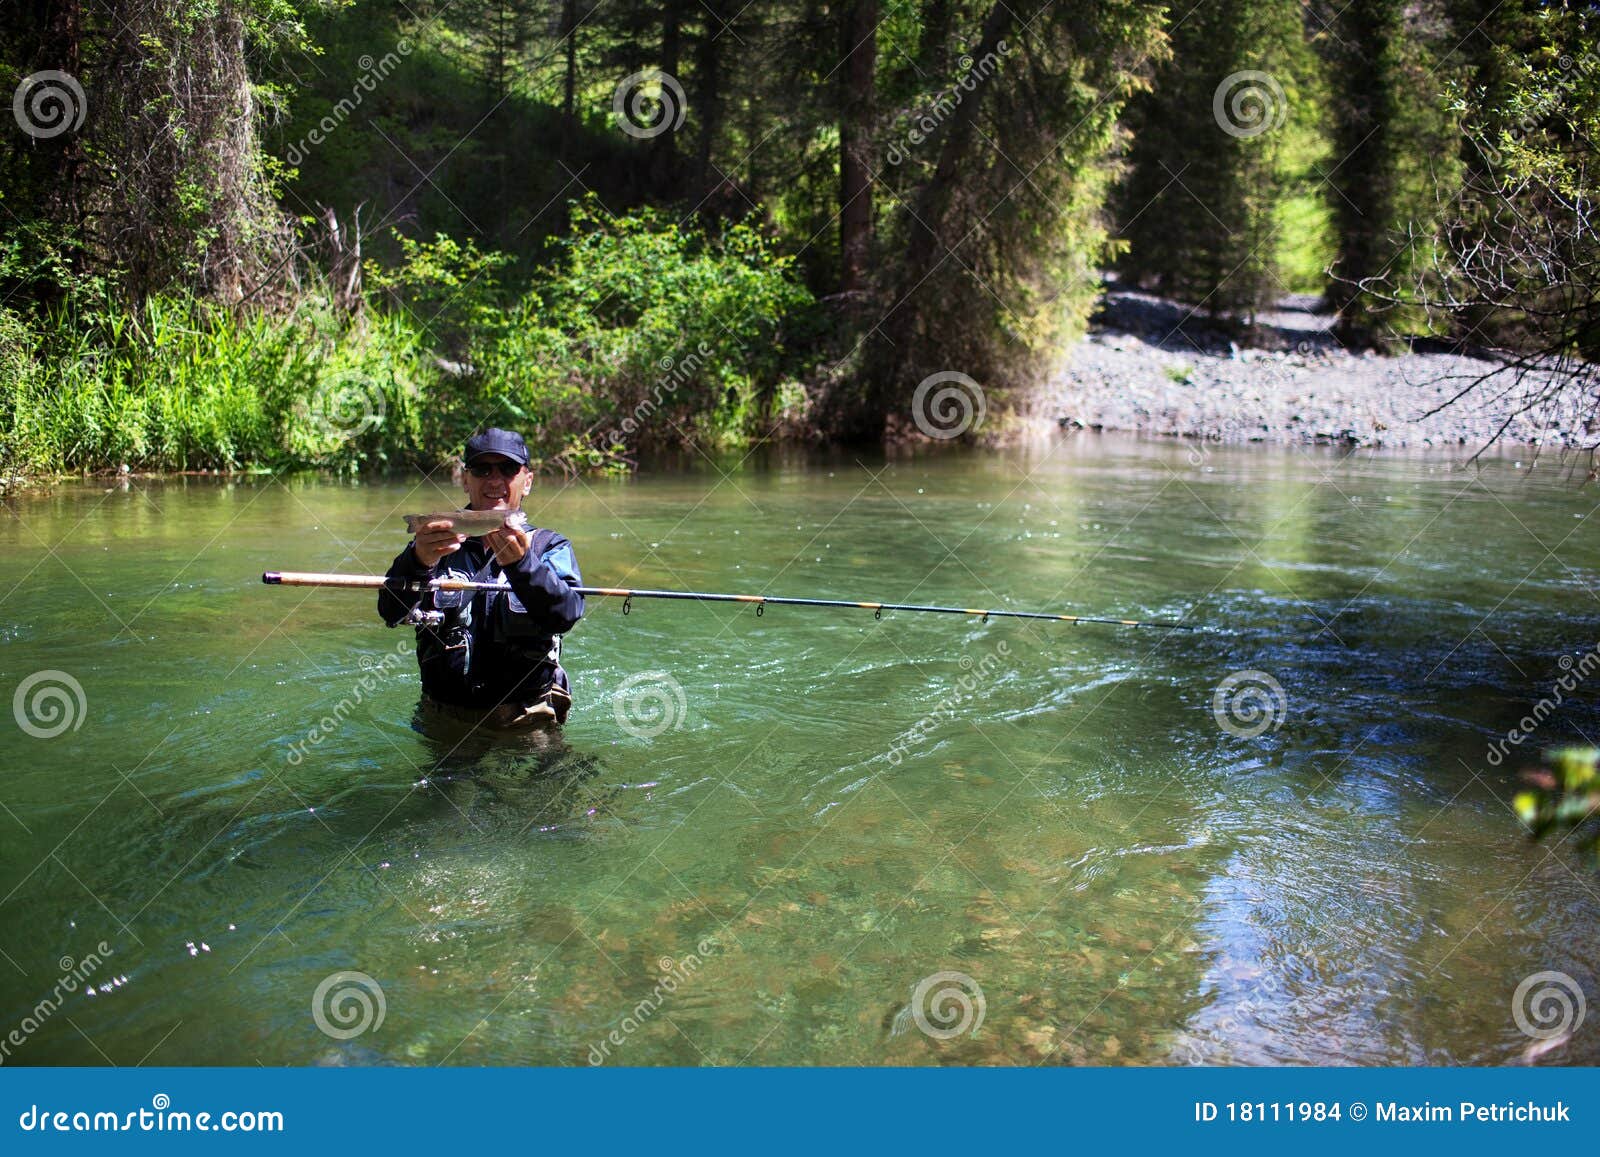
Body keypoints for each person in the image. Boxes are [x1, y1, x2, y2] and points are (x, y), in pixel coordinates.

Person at [378, 428, 584, 730]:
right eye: (481, 469)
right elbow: (390, 612)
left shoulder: (550, 548)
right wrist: (418, 562)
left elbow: (565, 615)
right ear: (465, 479)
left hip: (528, 717)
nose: (495, 480)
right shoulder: (435, 544)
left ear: (527, 481)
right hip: (445, 718)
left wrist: (523, 566)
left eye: (508, 468)